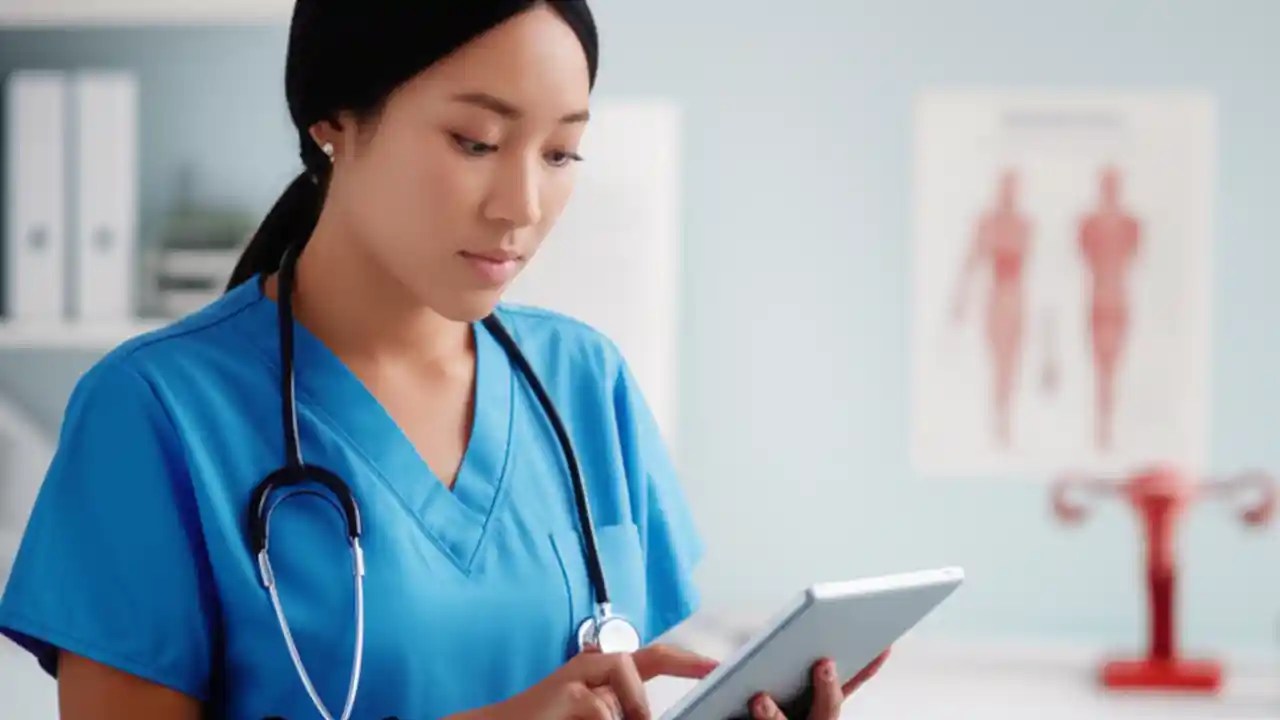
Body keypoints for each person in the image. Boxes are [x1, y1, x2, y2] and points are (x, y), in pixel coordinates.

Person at [0, 2, 885, 718]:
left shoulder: (586, 384)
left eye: (561, 151)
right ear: (332, 123)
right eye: (476, 142)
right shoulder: (155, 411)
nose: (522, 206)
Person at [951, 168, 1032, 448]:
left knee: (1012, 362)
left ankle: (1006, 419)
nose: (1009, 192)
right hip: (996, 297)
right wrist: (960, 299)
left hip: (1017, 298)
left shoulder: (1024, 224)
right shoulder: (988, 223)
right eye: (1005, 186)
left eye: (1014, 186)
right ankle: (997, 418)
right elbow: (971, 260)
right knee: (998, 361)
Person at [1078, 165, 1141, 452]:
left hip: (1119, 299)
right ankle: (1101, 426)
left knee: (1114, 366)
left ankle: (1110, 425)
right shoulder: (1088, 223)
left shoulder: (1132, 225)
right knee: (1100, 366)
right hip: (1099, 298)